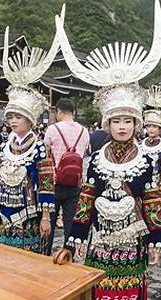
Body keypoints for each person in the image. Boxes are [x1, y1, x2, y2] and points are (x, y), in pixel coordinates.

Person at [53, 2, 161, 298]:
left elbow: (151, 200)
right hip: (101, 239)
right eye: (115, 120)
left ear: (135, 123)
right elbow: (86, 199)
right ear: (107, 122)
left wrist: (157, 240)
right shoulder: (98, 160)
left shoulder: (143, 159)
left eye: (127, 120)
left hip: (132, 241)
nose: (121, 127)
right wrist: (75, 237)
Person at [0, 25, 57, 252]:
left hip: (29, 217)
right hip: (3, 214)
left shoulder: (40, 148)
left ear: (30, 120)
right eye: (11, 117)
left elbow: (46, 186)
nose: (13, 121)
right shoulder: (6, 146)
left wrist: (46, 217)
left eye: (18, 117)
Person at [44, 98, 90, 255]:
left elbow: (46, 154)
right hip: (75, 183)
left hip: (54, 183)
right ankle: (68, 256)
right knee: (70, 223)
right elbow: (83, 153)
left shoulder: (52, 129)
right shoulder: (84, 132)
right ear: (73, 112)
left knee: (48, 221)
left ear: (59, 112)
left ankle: (44, 254)